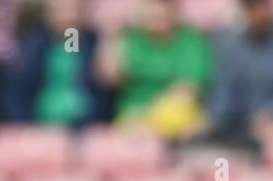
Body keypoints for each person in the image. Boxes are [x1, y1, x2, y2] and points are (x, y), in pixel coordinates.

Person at [97, 0, 213, 139]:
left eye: (162, 7)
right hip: (133, 117)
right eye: (150, 7)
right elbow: (110, 78)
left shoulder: (190, 40)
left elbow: (188, 90)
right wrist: (112, 35)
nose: (156, 13)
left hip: (176, 115)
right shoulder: (130, 39)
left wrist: (152, 121)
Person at [208, 0, 273, 151]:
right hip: (240, 126)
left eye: (260, 5)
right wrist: (215, 120)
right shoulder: (229, 43)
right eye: (249, 6)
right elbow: (224, 90)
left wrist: (268, 114)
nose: (256, 12)